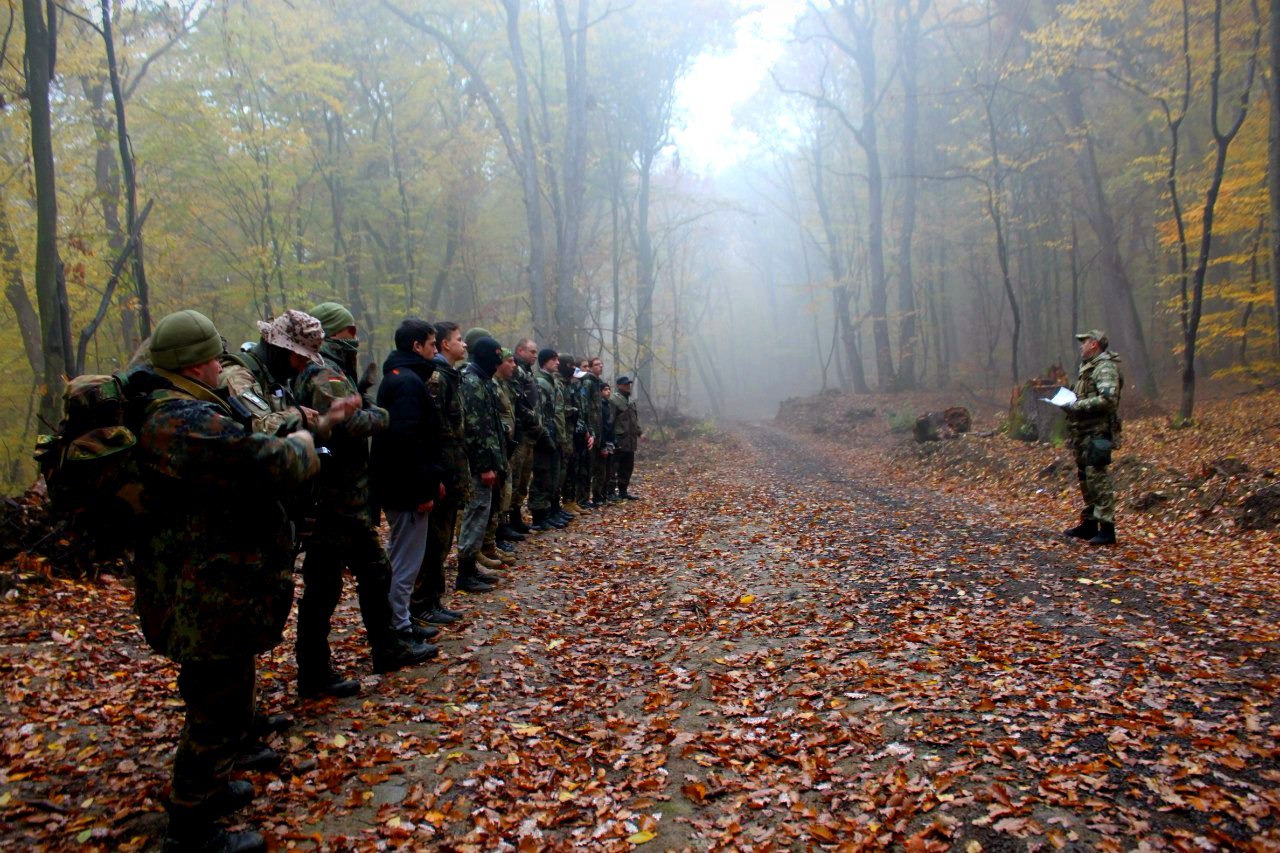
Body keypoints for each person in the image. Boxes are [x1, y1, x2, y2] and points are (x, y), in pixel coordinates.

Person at [133, 310, 320, 853]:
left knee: (218, 686)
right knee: (219, 700)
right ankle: (191, 827)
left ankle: (208, 790)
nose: (222, 363)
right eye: (215, 356)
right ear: (194, 364)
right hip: (203, 582)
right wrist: (304, 446)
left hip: (204, 573)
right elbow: (261, 460)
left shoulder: (177, 407)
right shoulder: (182, 418)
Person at [293, 303, 433, 698]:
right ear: (340, 334)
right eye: (351, 332)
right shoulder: (324, 373)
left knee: (374, 572)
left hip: (346, 498)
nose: (356, 340)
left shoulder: (333, 372)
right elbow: (351, 423)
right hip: (332, 501)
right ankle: (315, 670)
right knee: (324, 587)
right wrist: (378, 415)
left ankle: (386, 648)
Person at [371, 319, 453, 654]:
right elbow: (406, 441)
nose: (436, 351)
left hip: (403, 485)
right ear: (416, 346)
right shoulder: (406, 383)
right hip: (406, 490)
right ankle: (398, 628)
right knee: (406, 562)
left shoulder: (401, 378)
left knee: (402, 558)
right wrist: (423, 488)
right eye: (433, 344)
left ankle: (401, 621)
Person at [1062, 330, 1124, 545]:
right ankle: (1090, 523)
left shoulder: (1105, 368)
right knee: (1085, 478)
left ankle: (1107, 529)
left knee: (1097, 478)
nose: (1081, 346)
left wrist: (1076, 405)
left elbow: (1108, 399)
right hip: (1082, 431)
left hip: (1097, 432)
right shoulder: (1088, 368)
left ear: (1095, 344)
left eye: (1084, 342)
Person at [457, 336, 509, 588]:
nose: (499, 362)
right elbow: (475, 430)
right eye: (496, 357)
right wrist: (484, 466)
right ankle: (464, 572)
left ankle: (470, 568)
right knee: (475, 513)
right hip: (478, 466)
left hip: (488, 461)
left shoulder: (484, 381)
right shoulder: (471, 382)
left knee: (482, 513)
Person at [507, 338, 544, 533]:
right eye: (532, 351)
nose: (535, 355)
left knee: (523, 480)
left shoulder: (528, 372)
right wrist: (532, 421)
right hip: (520, 433)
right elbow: (518, 402)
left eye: (536, 352)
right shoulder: (515, 371)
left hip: (530, 434)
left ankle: (516, 517)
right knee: (515, 478)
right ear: (520, 350)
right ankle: (508, 520)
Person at [530, 348, 566, 530]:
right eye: (554, 360)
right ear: (545, 361)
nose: (557, 363)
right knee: (542, 476)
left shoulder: (552, 381)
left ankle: (550, 511)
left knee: (553, 475)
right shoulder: (540, 382)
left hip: (554, 432)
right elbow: (540, 412)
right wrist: (544, 435)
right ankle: (539, 515)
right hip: (543, 436)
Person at [610, 375, 642, 500]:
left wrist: (639, 432)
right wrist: (611, 438)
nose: (628, 386)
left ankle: (623, 492)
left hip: (630, 440)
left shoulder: (631, 400)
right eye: (625, 384)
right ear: (618, 386)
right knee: (614, 467)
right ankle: (610, 493)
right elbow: (610, 420)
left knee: (627, 468)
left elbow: (634, 419)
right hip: (619, 440)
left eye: (628, 384)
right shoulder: (613, 400)